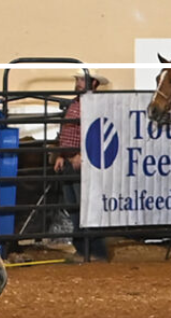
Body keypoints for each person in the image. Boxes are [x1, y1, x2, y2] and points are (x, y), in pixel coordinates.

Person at [51, 69, 109, 260]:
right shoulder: (76, 103)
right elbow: (67, 131)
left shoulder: (95, 104)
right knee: (75, 206)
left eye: (82, 79)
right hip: (71, 160)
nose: (78, 83)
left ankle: (96, 251)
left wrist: (82, 153)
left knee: (86, 206)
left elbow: (97, 132)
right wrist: (61, 154)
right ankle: (83, 249)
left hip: (84, 161)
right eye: (78, 79)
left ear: (94, 83)